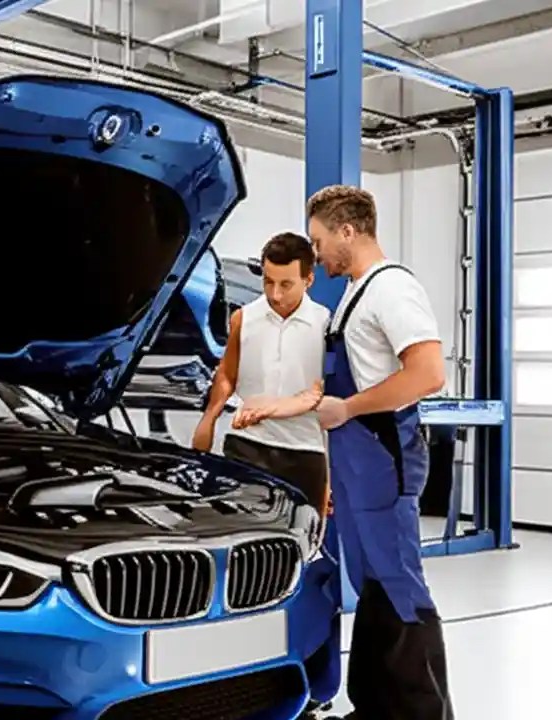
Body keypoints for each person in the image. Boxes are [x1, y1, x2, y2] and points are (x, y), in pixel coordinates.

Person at [306, 185, 454, 720]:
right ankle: (374, 708)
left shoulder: (392, 289)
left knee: (398, 583)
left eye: (319, 240)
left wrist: (347, 409)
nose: (316, 253)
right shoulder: (354, 291)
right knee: (369, 584)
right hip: (355, 462)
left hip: (382, 457)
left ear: (348, 231)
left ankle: (424, 713)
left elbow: (427, 374)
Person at [191, 232, 330, 514]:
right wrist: (209, 419)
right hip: (248, 444)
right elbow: (227, 374)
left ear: (309, 280)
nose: (275, 294)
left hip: (306, 450)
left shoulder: (326, 325)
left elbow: (329, 393)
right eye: (268, 282)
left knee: (304, 543)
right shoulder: (243, 318)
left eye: (286, 285)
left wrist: (333, 476)